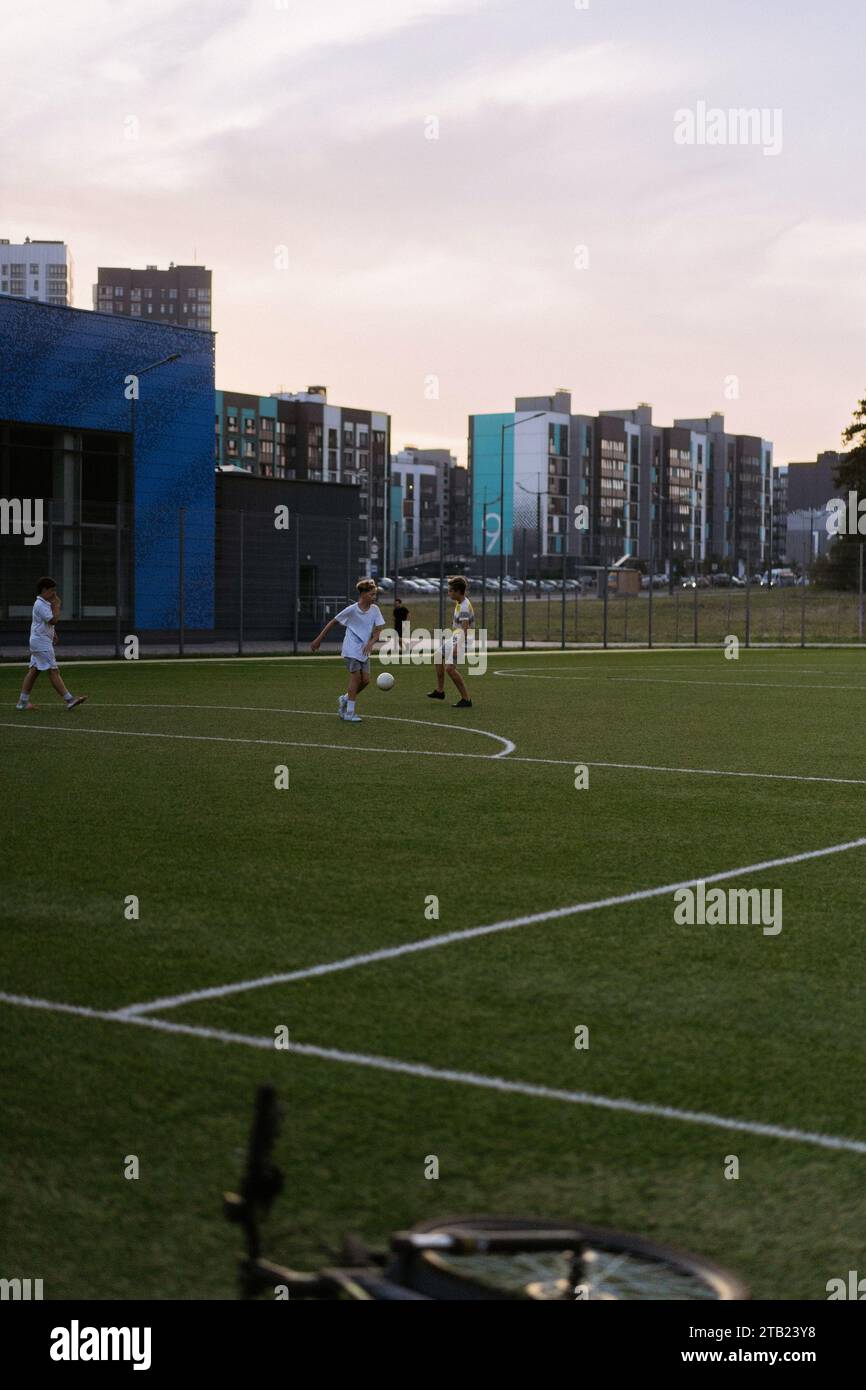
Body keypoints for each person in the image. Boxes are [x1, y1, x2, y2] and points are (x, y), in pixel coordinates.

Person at [310, 578, 385, 722]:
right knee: (356, 678)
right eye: (372, 594)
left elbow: (379, 630)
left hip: (364, 650)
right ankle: (349, 713)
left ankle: (344, 698)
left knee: (366, 681)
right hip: (351, 648)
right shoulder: (352, 610)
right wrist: (319, 639)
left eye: (375, 594)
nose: (374, 597)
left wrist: (371, 642)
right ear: (363, 594)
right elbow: (333, 622)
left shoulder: (375, 610)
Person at [16, 577, 87, 712]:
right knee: (53, 670)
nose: (54, 593)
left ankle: (22, 702)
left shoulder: (44, 603)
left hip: (39, 640)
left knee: (34, 671)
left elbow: (44, 623)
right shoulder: (40, 604)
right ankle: (69, 700)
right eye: (52, 590)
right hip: (41, 643)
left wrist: (52, 633)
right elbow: (53, 620)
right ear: (44, 590)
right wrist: (57, 605)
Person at [427, 575, 474, 708]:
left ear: (458, 592)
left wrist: (457, 647)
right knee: (437, 656)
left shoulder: (464, 607)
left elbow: (466, 629)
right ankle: (440, 691)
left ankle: (466, 699)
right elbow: (463, 583)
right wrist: (456, 579)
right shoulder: (460, 601)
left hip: (462, 639)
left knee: (450, 669)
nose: (449, 593)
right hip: (455, 637)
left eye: (451, 590)